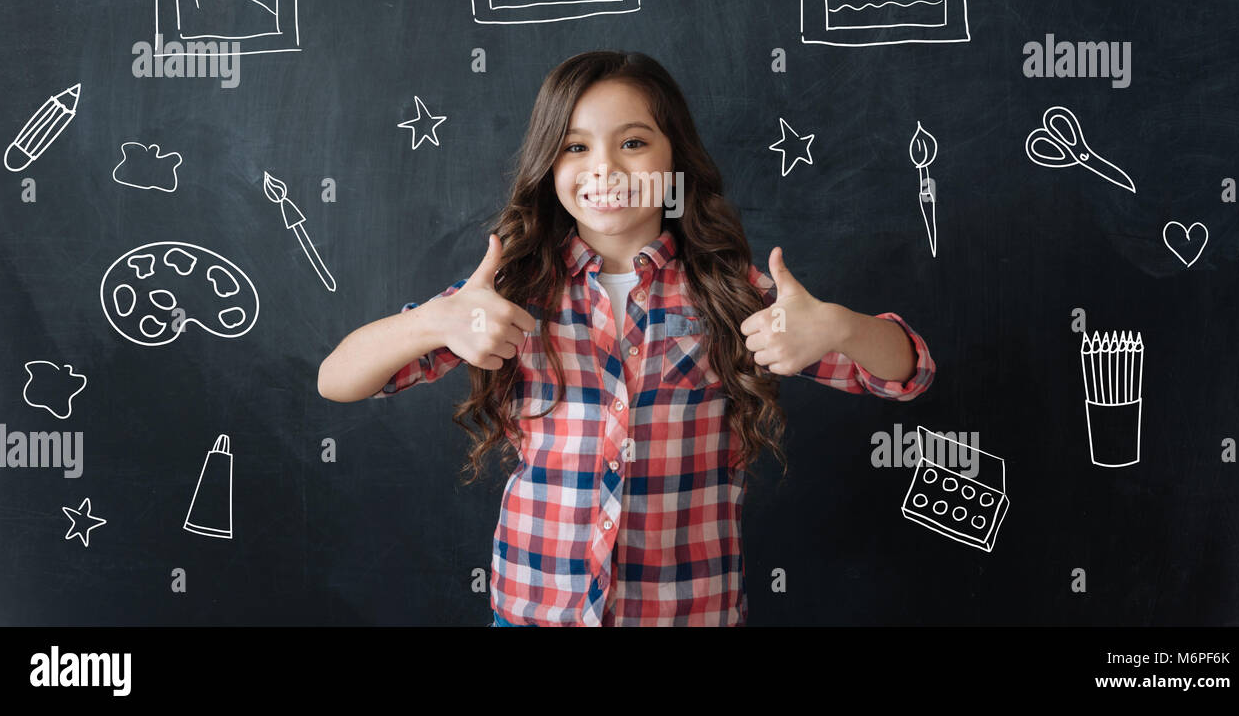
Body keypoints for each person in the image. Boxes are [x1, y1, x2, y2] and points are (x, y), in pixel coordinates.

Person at [317, 50, 935, 626]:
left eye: (633, 142)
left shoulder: (730, 290)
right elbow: (338, 380)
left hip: (690, 610)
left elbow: (909, 374)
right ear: (548, 166)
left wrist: (839, 327)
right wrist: (432, 320)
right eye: (575, 147)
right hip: (535, 607)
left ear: (676, 160)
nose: (605, 168)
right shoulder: (508, 291)